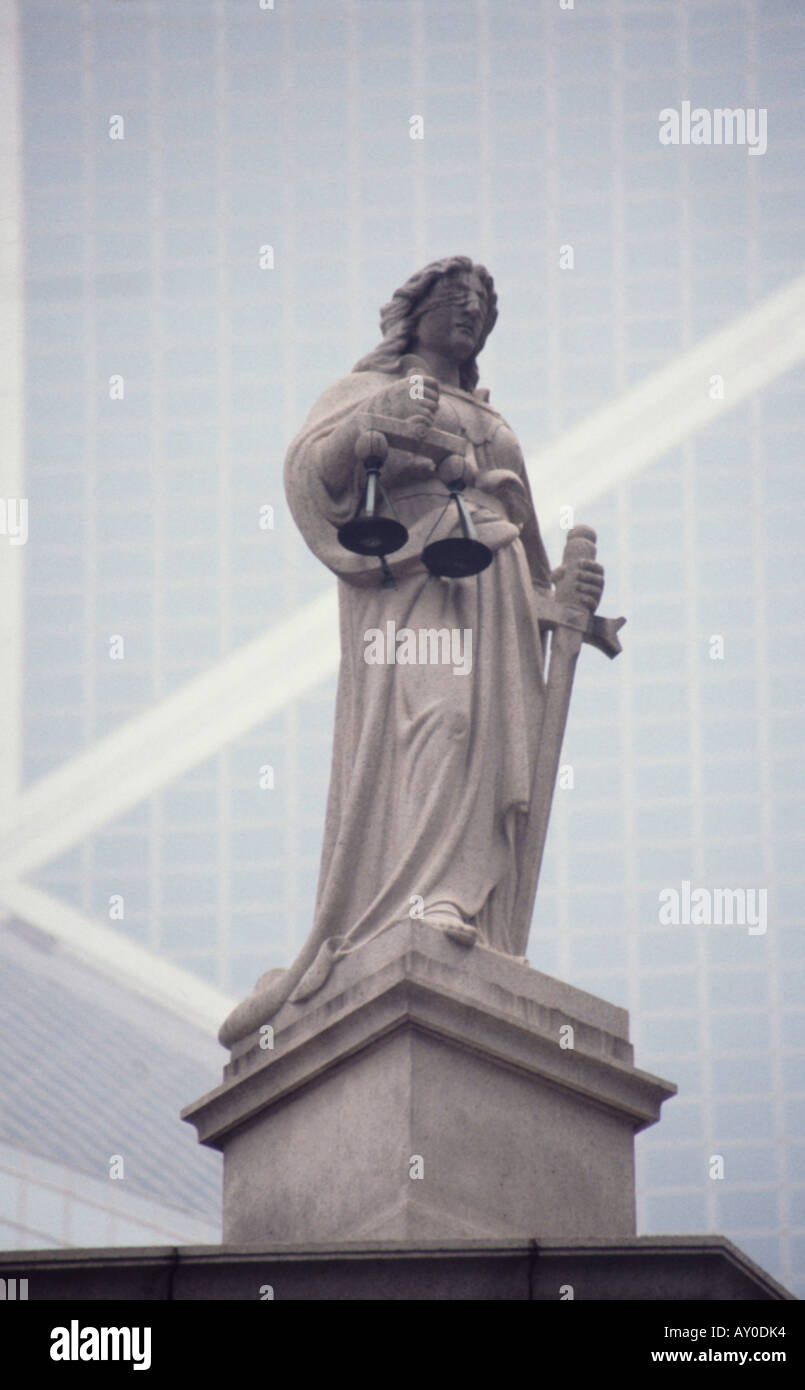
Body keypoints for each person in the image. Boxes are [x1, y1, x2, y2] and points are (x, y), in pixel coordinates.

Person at [218, 255, 603, 1047]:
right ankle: (416, 899)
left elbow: (534, 553)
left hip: (493, 580)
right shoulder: (365, 389)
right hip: (412, 570)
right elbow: (313, 471)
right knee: (442, 720)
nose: (470, 311)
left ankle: (463, 904)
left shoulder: (494, 423)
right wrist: (379, 419)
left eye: (481, 304)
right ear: (415, 311)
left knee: (488, 741)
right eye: (456, 298)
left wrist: (569, 597)